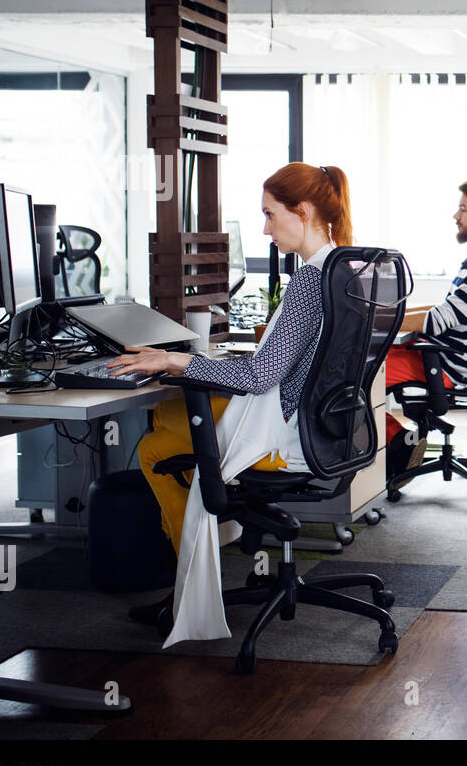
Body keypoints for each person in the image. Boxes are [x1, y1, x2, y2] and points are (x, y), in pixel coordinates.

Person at [107, 162, 351, 625]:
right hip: (322, 429)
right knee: (169, 416)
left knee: (157, 447)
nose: (266, 229)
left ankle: (195, 581)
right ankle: (217, 531)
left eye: (270, 214)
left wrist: (176, 360)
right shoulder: (343, 270)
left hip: (284, 436)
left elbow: (261, 375)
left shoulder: (308, 281)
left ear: (301, 211)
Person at [384, 178, 467, 478]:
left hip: (445, 365)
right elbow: (443, 311)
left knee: (351, 373)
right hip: (444, 355)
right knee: (357, 363)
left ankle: (397, 443)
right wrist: (384, 314)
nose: (456, 217)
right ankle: (396, 443)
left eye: (463, 210)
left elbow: (436, 321)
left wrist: (375, 319)